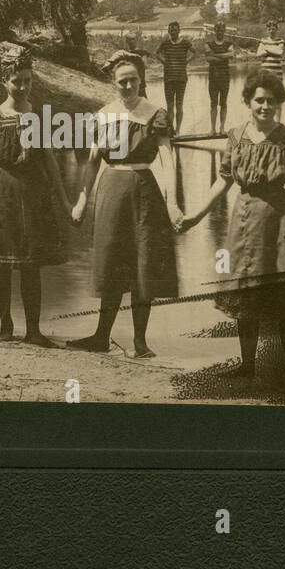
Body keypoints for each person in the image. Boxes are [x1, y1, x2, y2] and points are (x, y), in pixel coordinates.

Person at [176, 71, 285, 377]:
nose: (265, 106)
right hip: (244, 222)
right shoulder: (235, 136)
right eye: (259, 100)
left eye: (272, 101)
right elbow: (223, 182)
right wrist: (195, 216)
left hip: (282, 223)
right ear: (247, 101)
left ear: (279, 104)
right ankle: (247, 366)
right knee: (245, 292)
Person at [0, 47, 72, 346]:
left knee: (31, 264)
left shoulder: (41, 117)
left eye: (27, 80)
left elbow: (51, 164)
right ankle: (5, 326)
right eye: (16, 80)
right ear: (4, 80)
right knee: (1, 263)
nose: (22, 87)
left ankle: (33, 330)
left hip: (34, 193)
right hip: (2, 191)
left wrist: (65, 202)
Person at [69, 50, 180, 358]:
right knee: (111, 263)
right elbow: (92, 164)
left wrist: (173, 203)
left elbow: (169, 162)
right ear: (113, 83)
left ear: (141, 80)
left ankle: (140, 342)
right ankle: (101, 336)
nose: (128, 87)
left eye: (133, 80)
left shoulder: (155, 113)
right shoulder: (103, 115)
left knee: (143, 265)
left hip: (145, 193)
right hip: (111, 193)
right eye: (122, 82)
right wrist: (81, 202)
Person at [155, 21, 193, 134]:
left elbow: (195, 52)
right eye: (171, 30)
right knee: (170, 106)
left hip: (181, 78)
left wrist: (187, 61)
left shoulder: (185, 42)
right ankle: (171, 130)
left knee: (179, 105)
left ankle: (178, 130)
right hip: (169, 78)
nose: (173, 32)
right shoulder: (165, 43)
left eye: (175, 30)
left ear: (179, 30)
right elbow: (156, 52)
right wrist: (163, 62)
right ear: (168, 31)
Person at [205, 20, 237, 132]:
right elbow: (208, 59)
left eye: (222, 30)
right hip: (213, 78)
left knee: (223, 103)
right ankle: (212, 129)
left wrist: (216, 55)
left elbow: (231, 55)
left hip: (225, 77)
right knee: (213, 104)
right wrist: (224, 56)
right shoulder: (209, 43)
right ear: (214, 30)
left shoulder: (229, 43)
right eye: (218, 29)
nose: (220, 32)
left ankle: (222, 127)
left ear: (224, 31)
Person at [120, 24, 151, 99]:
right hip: (132, 82)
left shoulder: (140, 52)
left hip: (138, 82)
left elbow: (146, 65)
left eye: (133, 39)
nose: (132, 41)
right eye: (130, 39)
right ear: (127, 41)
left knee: (141, 102)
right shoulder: (126, 53)